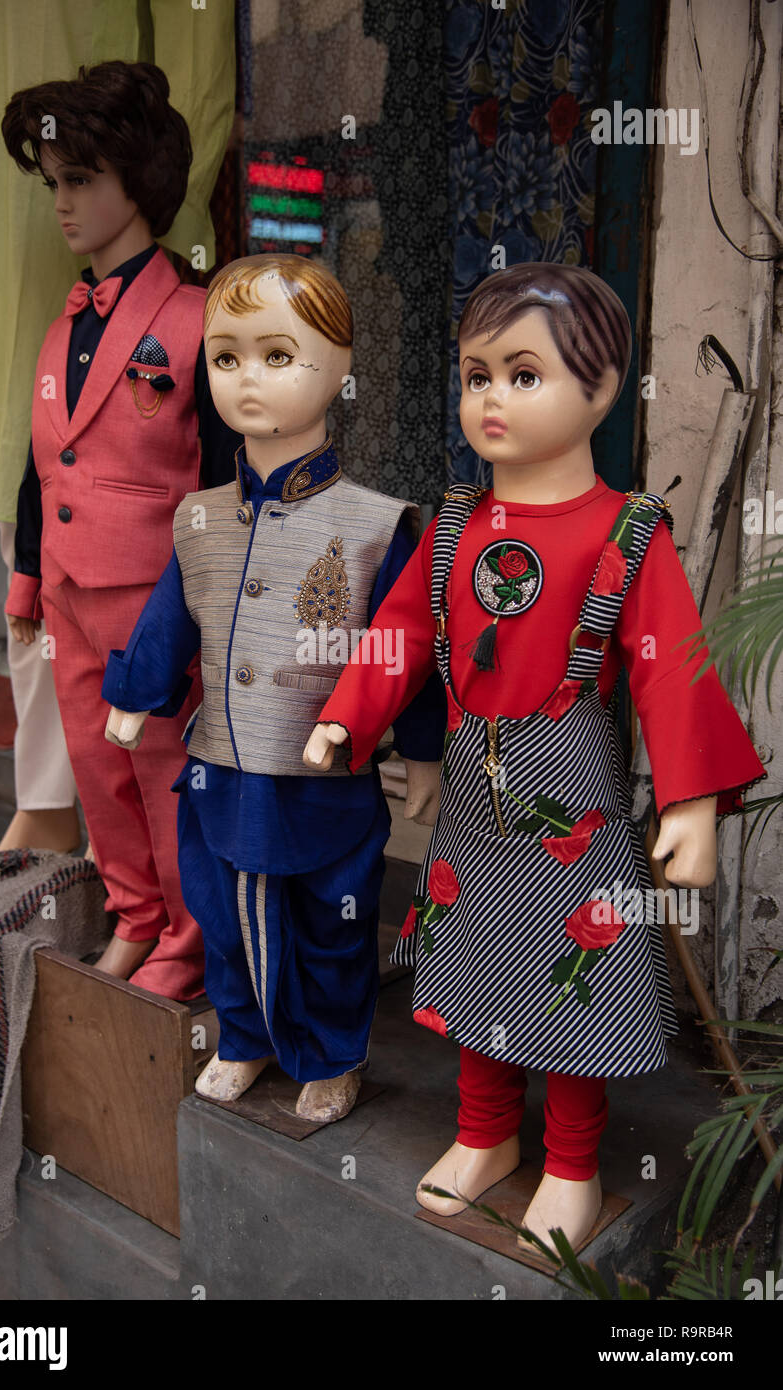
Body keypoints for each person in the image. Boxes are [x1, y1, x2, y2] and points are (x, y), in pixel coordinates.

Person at [304, 263, 766, 1243]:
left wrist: (687, 804)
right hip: (475, 804)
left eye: (523, 374)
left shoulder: (629, 534)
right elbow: (401, 636)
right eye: (476, 375)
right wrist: (351, 713)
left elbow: (669, 670)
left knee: (576, 978)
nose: (490, 398)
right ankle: (484, 1134)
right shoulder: (453, 527)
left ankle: (570, 1161)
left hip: (576, 806)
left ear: (601, 388)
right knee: (475, 970)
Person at [102, 254, 444, 1122]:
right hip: (219, 765)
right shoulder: (199, 516)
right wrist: (134, 696)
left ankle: (333, 1052)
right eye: (225, 357)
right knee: (221, 911)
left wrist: (427, 753)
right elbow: (169, 619)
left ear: (338, 369)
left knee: (331, 922)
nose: (247, 378)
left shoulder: (376, 524)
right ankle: (245, 1036)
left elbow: (406, 647)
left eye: (277, 356)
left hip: (323, 779)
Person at [1, 60, 239, 1000]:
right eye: (54, 182)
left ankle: (187, 936)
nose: (62, 204)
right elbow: (41, 462)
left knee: (163, 771)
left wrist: (214, 608)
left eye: (80, 180)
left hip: (155, 598)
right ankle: (136, 917)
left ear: (137, 181)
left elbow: (225, 475)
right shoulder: (63, 323)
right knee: (101, 774)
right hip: (68, 592)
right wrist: (26, 583)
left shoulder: (194, 318)